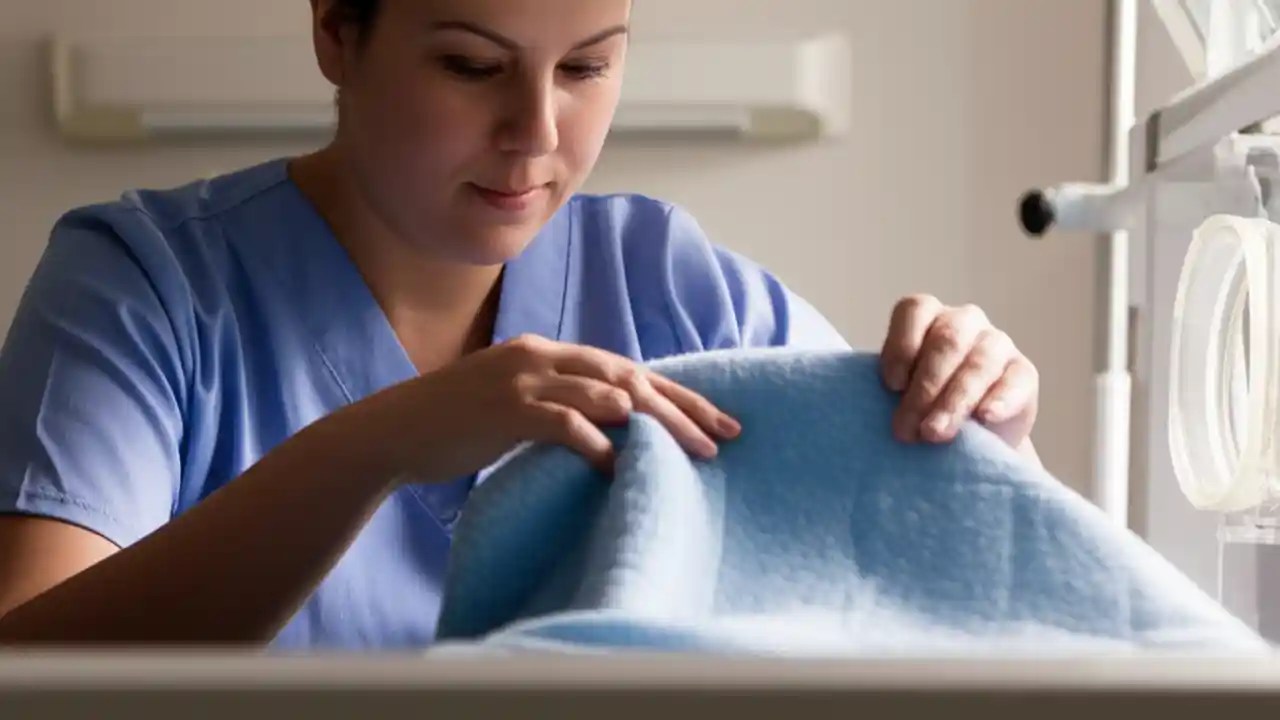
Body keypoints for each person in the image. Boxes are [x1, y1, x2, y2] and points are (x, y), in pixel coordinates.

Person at [0, 0, 1041, 649]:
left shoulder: (676, 293)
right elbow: (32, 665)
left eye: (586, 67)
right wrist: (379, 444)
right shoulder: (145, 286)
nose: (535, 133)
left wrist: (979, 422)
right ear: (334, 28)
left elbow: (915, 577)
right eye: (470, 65)